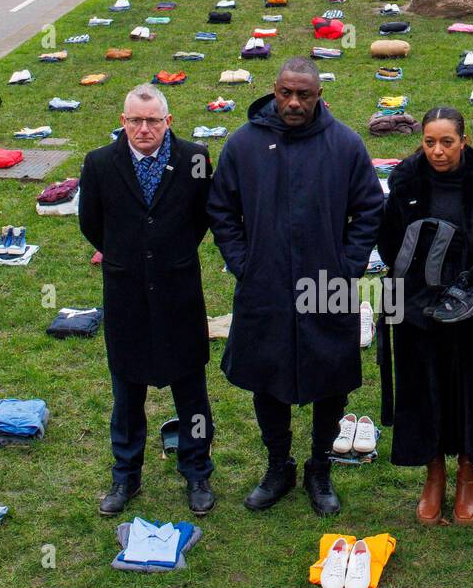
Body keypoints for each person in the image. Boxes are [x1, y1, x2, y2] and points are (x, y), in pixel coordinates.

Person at [209, 57, 384, 516]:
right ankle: (277, 466)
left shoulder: (344, 144)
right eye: (286, 92)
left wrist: (348, 263)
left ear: (319, 96)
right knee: (266, 376)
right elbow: (222, 209)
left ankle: (319, 467)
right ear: (274, 89)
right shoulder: (244, 144)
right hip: (264, 283)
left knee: (331, 378)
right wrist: (242, 262)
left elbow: (369, 208)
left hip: (330, 283)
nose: (293, 102)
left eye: (304, 95)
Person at [377, 107, 473, 526]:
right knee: (427, 389)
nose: (438, 151)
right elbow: (390, 240)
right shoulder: (407, 179)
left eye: (447, 142)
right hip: (419, 308)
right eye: (430, 142)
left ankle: (467, 472)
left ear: (463, 141)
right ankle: (434, 473)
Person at [78, 85, 218, 516]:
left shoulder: (195, 159)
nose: (143, 129)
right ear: (122, 122)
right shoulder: (100, 164)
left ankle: (196, 470)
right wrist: (128, 256)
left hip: (179, 291)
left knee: (191, 389)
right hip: (126, 293)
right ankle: (126, 476)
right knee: (126, 391)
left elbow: (202, 218)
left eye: (152, 121)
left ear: (167, 122)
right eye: (134, 120)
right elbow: (91, 223)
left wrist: (170, 253)